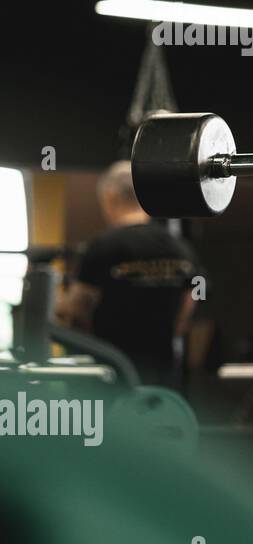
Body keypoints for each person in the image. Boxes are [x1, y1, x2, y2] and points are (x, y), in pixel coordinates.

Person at [55, 160, 201, 390]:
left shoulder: (103, 247)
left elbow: (74, 308)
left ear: (110, 197)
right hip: (162, 374)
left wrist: (58, 310)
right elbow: (192, 296)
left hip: (111, 371)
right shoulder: (179, 247)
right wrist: (174, 329)